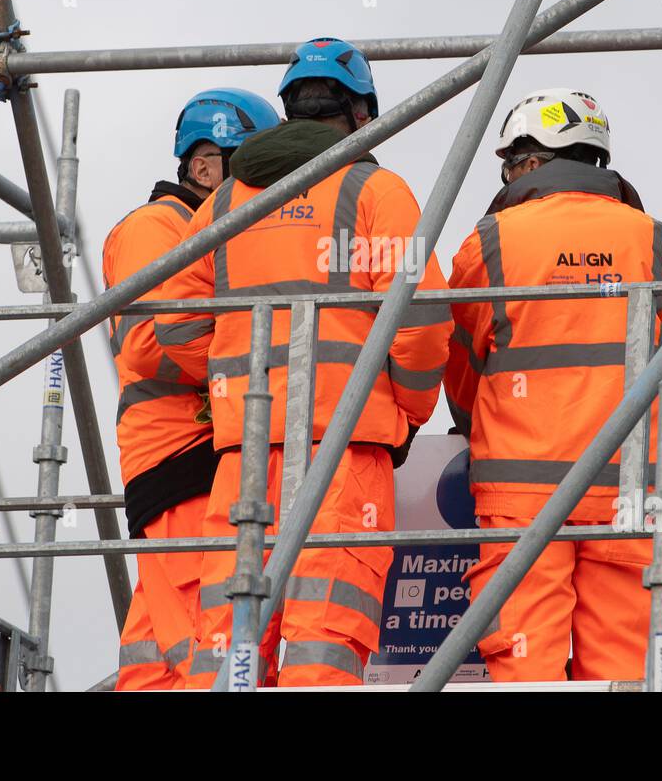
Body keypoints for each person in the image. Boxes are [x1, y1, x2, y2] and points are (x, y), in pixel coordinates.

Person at [157, 38, 452, 687]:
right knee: (324, 645)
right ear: (363, 116)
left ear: (289, 110)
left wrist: (233, 386)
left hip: (242, 461)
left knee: (228, 647)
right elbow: (422, 319)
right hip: (344, 455)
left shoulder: (225, 204)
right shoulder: (376, 189)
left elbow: (174, 327)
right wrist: (407, 413)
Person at [445, 87, 662, 682]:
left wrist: (470, 421)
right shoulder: (658, 240)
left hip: (522, 494)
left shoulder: (490, 240)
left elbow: (460, 364)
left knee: (525, 665)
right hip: (628, 486)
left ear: (532, 162)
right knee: (622, 668)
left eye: (512, 162)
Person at [105, 87, 279, 690]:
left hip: (196, 454)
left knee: (156, 645)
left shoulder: (203, 227)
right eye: (248, 162)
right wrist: (258, 363)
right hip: (181, 456)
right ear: (204, 165)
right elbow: (149, 341)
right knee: (207, 635)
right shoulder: (159, 226)